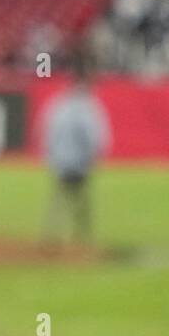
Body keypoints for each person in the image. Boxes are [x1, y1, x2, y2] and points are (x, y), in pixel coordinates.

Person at [42, 58, 110, 246]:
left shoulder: (59, 106)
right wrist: (95, 156)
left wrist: (52, 156)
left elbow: (48, 133)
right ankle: (81, 238)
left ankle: (52, 237)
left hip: (61, 162)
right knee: (81, 201)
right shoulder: (87, 108)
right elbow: (94, 136)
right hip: (79, 163)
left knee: (60, 199)